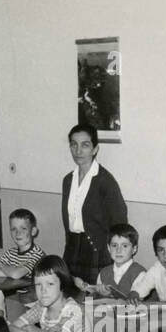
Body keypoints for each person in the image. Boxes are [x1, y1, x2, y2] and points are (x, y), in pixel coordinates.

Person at [61, 122, 128, 285]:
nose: (78, 151)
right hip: (71, 250)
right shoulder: (68, 180)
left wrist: (117, 259)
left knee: (93, 304)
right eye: (73, 145)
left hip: (97, 252)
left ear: (95, 149)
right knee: (71, 298)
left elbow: (120, 223)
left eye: (85, 145)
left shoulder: (105, 181)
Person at [11, 255, 88, 332]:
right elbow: (10, 327)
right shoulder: (41, 307)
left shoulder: (74, 310)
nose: (43, 291)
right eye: (38, 285)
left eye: (50, 284)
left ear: (62, 284)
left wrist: (29, 328)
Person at [0, 208, 45, 280]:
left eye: (23, 228)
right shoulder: (10, 252)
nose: (18, 233)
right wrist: (12, 270)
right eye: (14, 229)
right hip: (12, 289)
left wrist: (1, 266)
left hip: (31, 291)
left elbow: (15, 274)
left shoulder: (37, 254)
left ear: (33, 231)